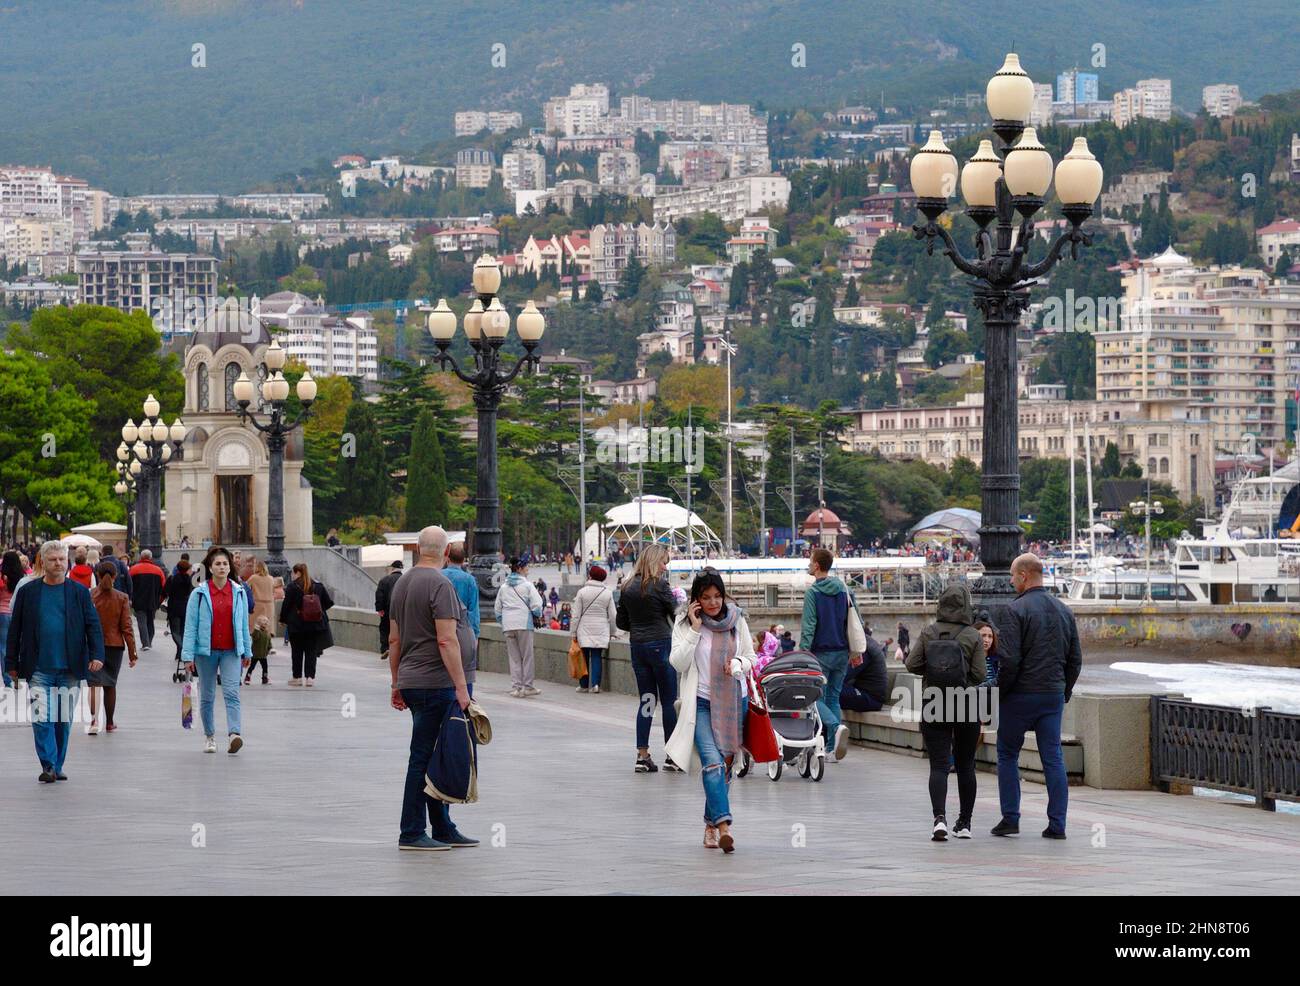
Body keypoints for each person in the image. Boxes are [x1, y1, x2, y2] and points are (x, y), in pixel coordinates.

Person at [389, 525, 478, 851]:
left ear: (416, 548)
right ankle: (411, 831)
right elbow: (446, 638)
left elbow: (394, 639)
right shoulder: (439, 584)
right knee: (424, 757)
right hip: (436, 683)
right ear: (444, 552)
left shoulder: (402, 583)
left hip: (414, 681)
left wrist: (397, 682)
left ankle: (442, 826)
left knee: (434, 756)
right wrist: (461, 688)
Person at [664, 570, 756, 853]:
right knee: (713, 763)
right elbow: (678, 663)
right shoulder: (685, 625)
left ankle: (709, 825)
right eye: (706, 598)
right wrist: (693, 629)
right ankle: (725, 826)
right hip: (701, 703)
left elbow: (751, 657)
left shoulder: (736, 620)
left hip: (732, 702)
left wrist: (739, 662)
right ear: (696, 600)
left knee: (725, 768)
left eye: (717, 596)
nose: (714, 603)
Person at [993, 553, 1082, 840]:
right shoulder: (1064, 610)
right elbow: (1075, 660)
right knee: (1053, 758)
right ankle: (1057, 824)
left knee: (1007, 753)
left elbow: (1010, 661)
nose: (1009, 580)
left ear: (1024, 576)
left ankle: (1011, 818)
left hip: (1020, 695)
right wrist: (1063, 690)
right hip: (1051, 695)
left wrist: (1001, 693)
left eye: (1012, 575)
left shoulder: (1015, 610)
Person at [5, 540, 105, 782]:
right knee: (41, 718)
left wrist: (97, 655)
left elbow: (93, 625)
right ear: (43, 561)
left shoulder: (79, 592)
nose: (58, 563)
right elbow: (15, 628)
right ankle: (48, 764)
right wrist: (11, 663)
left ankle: (57, 764)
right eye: (53, 559)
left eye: (62, 559)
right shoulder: (29, 592)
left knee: (63, 720)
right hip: (39, 667)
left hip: (70, 667)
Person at [905, 584, 986, 841]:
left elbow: (911, 664)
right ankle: (965, 824)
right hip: (966, 704)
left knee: (939, 766)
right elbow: (981, 674)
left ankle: (939, 819)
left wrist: (933, 673)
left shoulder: (930, 632)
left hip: (934, 703)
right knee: (966, 766)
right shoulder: (972, 635)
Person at [614, 543, 681, 773]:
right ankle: (672, 756)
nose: (665, 567)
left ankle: (642, 756)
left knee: (647, 701)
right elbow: (677, 614)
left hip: (638, 648)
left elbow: (621, 623)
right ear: (654, 561)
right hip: (661, 645)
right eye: (664, 562)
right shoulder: (660, 585)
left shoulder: (627, 586)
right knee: (669, 702)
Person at [181, 546, 252, 755]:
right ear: (210, 568)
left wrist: (247, 650)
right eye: (218, 564)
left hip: (231, 651)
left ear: (230, 567)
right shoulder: (199, 594)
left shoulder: (239, 592)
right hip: (206, 652)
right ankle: (210, 736)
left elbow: (243, 624)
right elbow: (190, 626)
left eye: (225, 564)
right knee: (207, 696)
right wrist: (187, 656)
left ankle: (234, 734)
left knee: (232, 692)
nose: (222, 567)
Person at [799, 547, 858, 763]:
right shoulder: (844, 589)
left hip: (820, 653)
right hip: (842, 651)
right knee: (833, 697)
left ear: (816, 566)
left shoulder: (813, 593)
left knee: (815, 698)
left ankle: (835, 726)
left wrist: (804, 652)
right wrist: (856, 650)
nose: (808, 564)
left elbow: (809, 626)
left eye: (810, 561)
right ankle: (832, 748)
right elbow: (854, 620)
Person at [88, 560, 138, 734]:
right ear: (116, 576)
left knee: (94, 685)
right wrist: (133, 653)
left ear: (97, 575)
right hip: (115, 646)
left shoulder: (90, 595)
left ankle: (94, 722)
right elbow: (127, 627)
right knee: (110, 685)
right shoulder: (122, 597)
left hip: (93, 647)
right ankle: (109, 722)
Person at [279, 562, 334, 687]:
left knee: (297, 651)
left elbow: (286, 605)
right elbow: (329, 603)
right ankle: (310, 678)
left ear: (297, 572)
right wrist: (317, 610)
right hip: (314, 624)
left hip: (296, 625)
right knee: (311, 651)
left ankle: (297, 677)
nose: (292, 575)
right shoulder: (318, 586)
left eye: (293, 573)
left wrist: (282, 619)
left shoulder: (292, 587)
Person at [495, 557, 543, 698]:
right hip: (524, 623)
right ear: (520, 569)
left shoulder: (504, 587)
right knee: (527, 656)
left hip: (508, 625)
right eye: (526, 567)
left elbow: (498, 608)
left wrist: (503, 621)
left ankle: (516, 687)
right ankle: (528, 686)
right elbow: (537, 605)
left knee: (514, 658)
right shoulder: (527, 585)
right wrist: (536, 615)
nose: (528, 569)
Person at [572, 564, 617, 694]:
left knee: (584, 657)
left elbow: (576, 615)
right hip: (601, 629)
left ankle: (584, 685)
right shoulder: (607, 593)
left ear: (590, 576)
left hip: (584, 629)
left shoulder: (582, 592)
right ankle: (596, 685)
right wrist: (613, 632)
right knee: (596, 656)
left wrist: (573, 632)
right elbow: (613, 616)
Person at [840, 632, 889, 713]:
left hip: (871, 698)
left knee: (829, 689)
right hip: (863, 692)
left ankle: (829, 725)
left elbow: (843, 676)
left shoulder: (862, 648)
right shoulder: (861, 641)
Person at [128, 548, 166, 652]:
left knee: (142, 622)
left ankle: (145, 643)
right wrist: (159, 600)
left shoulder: (133, 569)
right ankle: (149, 641)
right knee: (150, 621)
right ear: (151, 557)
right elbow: (163, 587)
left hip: (138, 601)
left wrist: (130, 599)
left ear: (141, 557)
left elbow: (129, 585)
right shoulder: (158, 570)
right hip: (153, 601)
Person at [442, 543, 480, 639]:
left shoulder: (438, 575)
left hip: (440, 628)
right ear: (463, 560)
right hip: (462, 630)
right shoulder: (469, 580)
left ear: (448, 559)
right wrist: (474, 634)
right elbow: (473, 611)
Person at [164, 559, 195, 669]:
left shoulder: (172, 579)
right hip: (186, 608)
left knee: (175, 631)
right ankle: (180, 652)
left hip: (174, 608)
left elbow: (166, 591)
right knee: (182, 631)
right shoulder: (190, 580)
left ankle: (181, 649)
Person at [0, 549, 22, 688]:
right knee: (17, 646)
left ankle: (7, 679)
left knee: (3, 648)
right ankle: (17, 675)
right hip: (16, 614)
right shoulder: (22, 576)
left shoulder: (2, 577)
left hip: (2, 613)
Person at [374, 560, 405, 660]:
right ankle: (401, 650)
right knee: (401, 630)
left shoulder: (384, 580)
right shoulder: (406, 579)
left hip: (387, 610)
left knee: (385, 629)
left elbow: (379, 595)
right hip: (402, 610)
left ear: (392, 568)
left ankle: (385, 648)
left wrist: (379, 609)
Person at [245, 558, 275, 639]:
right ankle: (268, 645)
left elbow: (246, 588)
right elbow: (273, 591)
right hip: (269, 605)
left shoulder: (253, 578)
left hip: (257, 604)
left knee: (255, 627)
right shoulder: (271, 578)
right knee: (267, 626)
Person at [245, 615, 272, 685]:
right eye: (264, 621)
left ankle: (264, 678)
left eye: (266, 621)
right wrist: (256, 629)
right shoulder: (257, 632)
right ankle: (247, 677)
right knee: (252, 666)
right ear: (259, 623)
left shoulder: (267, 633)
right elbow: (255, 637)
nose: (265, 622)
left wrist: (270, 648)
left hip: (263, 654)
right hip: (255, 654)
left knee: (265, 667)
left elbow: (269, 641)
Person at [976, 620, 1001, 686]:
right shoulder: (967, 658)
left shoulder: (998, 658)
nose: (987, 640)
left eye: (990, 636)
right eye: (983, 635)